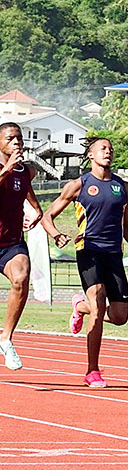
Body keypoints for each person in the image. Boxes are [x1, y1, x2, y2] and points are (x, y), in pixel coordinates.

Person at [41, 137, 128, 388]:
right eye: (102, 149)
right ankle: (92, 371)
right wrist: (57, 234)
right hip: (88, 251)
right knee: (99, 303)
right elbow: (48, 216)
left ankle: (80, 307)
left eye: (111, 149)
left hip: (113, 255)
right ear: (91, 155)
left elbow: (126, 226)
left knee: (120, 317)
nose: (108, 152)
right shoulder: (79, 185)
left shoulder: (124, 188)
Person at [0, 122, 43, 370]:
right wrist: (7, 168)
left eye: (19, 138)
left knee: (21, 278)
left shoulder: (25, 171)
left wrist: (36, 210)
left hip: (11, 243)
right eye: (10, 139)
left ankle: (6, 338)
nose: (16, 142)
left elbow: (26, 188)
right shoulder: (5, 168)